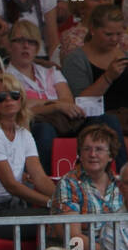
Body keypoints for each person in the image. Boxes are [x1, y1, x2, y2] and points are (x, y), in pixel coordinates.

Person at [8, 17, 124, 170]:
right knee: (44, 130)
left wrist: (40, 104)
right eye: (19, 41)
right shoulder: (5, 76)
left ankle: (123, 174)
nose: (25, 46)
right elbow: (19, 107)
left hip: (65, 122)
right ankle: (45, 183)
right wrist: (55, 105)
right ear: (9, 45)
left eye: (31, 42)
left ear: (37, 48)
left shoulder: (50, 71)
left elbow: (67, 100)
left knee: (108, 120)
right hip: (34, 125)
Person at [0, 71, 53, 216]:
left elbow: (40, 178)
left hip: (13, 206)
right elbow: (11, 185)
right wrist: (52, 204)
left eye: (14, 95)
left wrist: (65, 200)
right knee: (55, 220)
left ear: (21, 99)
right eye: (1, 97)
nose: (8, 100)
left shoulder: (24, 134)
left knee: (63, 218)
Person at [61, 3, 128, 110]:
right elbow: (78, 103)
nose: (115, 39)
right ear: (92, 29)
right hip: (96, 120)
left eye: (119, 34)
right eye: (108, 34)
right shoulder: (75, 59)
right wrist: (108, 77)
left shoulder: (125, 55)